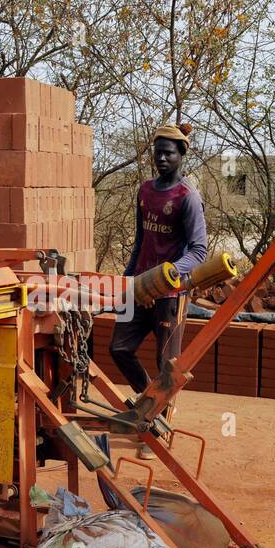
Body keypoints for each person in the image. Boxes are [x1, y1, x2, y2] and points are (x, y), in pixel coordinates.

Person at [109, 123, 208, 458]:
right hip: (138, 289)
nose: (162, 158)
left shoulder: (187, 198)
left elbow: (198, 251)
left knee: (168, 364)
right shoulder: (144, 191)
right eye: (158, 151)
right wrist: (127, 279)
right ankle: (148, 403)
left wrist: (168, 273)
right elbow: (140, 241)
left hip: (171, 294)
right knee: (119, 348)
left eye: (169, 152)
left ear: (182, 154)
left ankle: (159, 429)